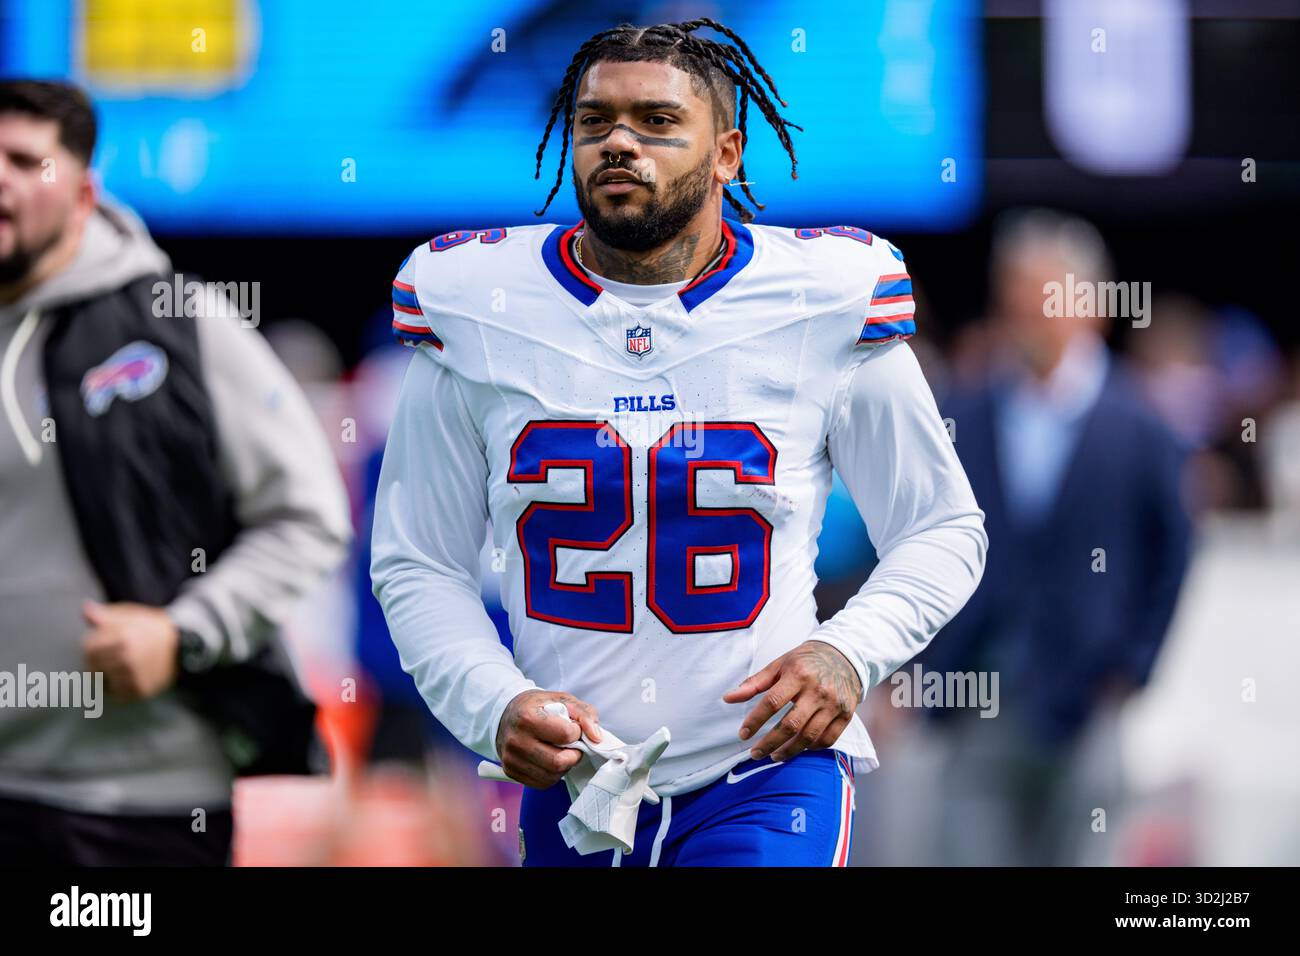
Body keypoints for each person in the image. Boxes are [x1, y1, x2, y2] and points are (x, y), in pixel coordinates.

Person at [371, 19, 986, 867]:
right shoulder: (476, 304)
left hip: (766, 772)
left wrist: (851, 650)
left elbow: (943, 527)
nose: (619, 142)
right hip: (581, 787)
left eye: (657, 121)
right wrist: (493, 704)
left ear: (728, 153)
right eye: (595, 122)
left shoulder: (823, 298)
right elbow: (417, 561)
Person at [0, 80, 352, 865]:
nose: (1, 178)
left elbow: (308, 517)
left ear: (85, 193)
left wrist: (181, 632)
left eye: (25, 160)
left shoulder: (178, 323)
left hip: (130, 804)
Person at [912, 209, 1193, 865]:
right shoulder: (966, 410)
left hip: (1084, 702)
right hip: (976, 698)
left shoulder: (1140, 424)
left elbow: (1173, 553)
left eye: (1039, 296)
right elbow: (919, 533)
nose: (1023, 313)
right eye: (1012, 295)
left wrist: (1133, 665)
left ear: (1087, 304)